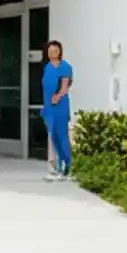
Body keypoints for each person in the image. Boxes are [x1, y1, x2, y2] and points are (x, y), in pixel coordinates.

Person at [41, 40, 74, 181]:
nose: (52, 53)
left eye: (55, 50)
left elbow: (65, 86)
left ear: (60, 52)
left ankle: (67, 166)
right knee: (53, 136)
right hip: (49, 106)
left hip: (60, 105)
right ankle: (59, 167)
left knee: (62, 136)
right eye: (50, 51)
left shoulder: (65, 66)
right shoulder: (47, 67)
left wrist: (58, 96)